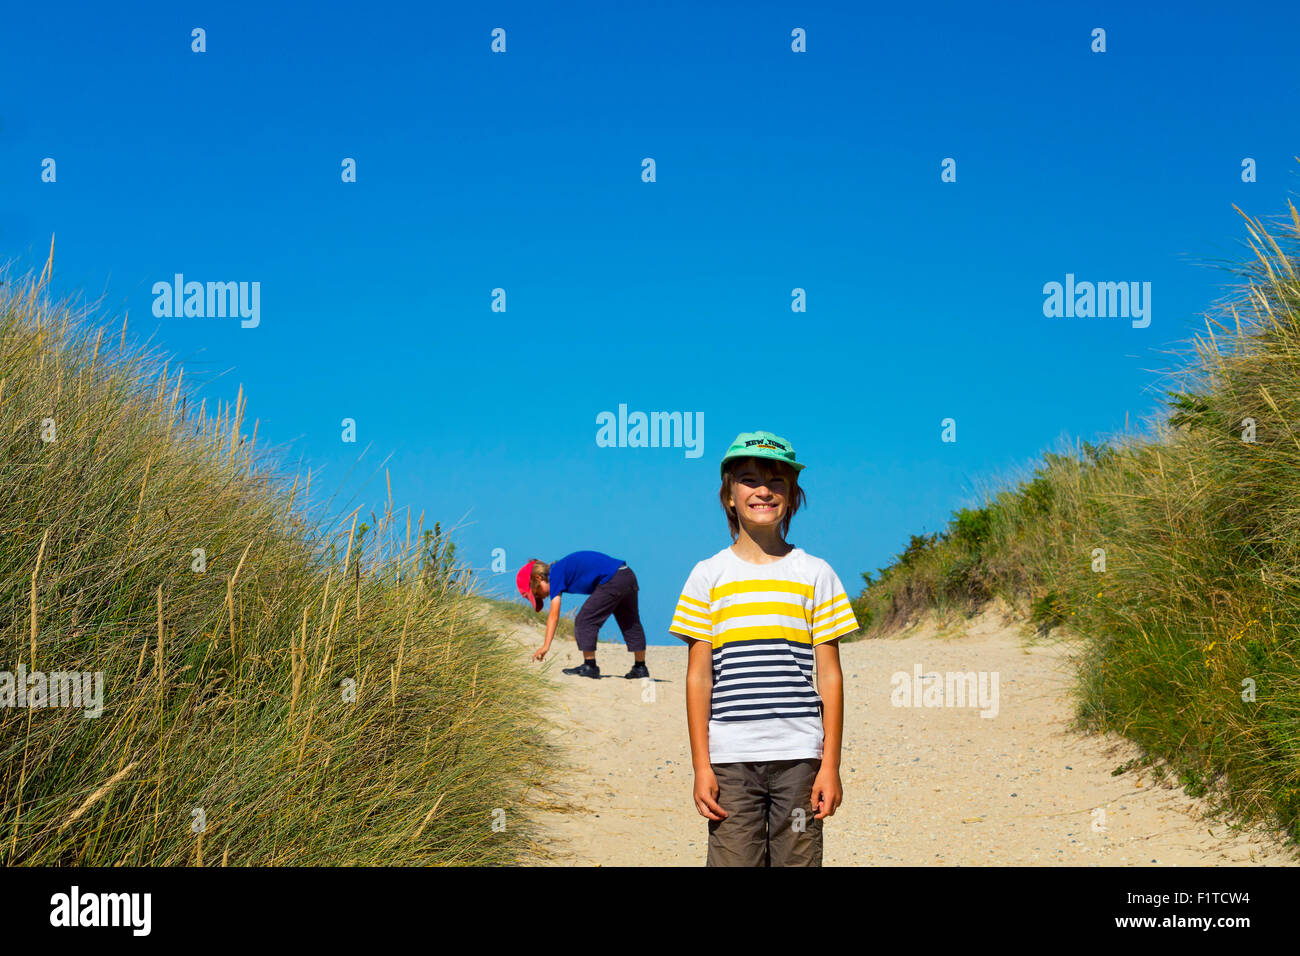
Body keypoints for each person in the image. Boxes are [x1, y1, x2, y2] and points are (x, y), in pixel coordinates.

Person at [669, 430, 857, 866]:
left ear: (792, 496)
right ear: (729, 496)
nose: (763, 491)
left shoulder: (816, 573)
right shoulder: (707, 575)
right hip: (731, 760)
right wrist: (701, 766)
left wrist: (831, 764)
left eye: (776, 482)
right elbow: (699, 675)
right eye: (749, 480)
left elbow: (829, 674)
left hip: (800, 758)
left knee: (798, 858)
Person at [516, 550, 650, 679]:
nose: (542, 597)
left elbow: (553, 615)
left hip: (613, 580)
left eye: (537, 594)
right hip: (627, 574)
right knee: (630, 622)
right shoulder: (561, 569)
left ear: (539, 578)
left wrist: (546, 646)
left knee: (584, 620)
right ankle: (640, 667)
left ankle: (590, 666)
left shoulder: (555, 574)